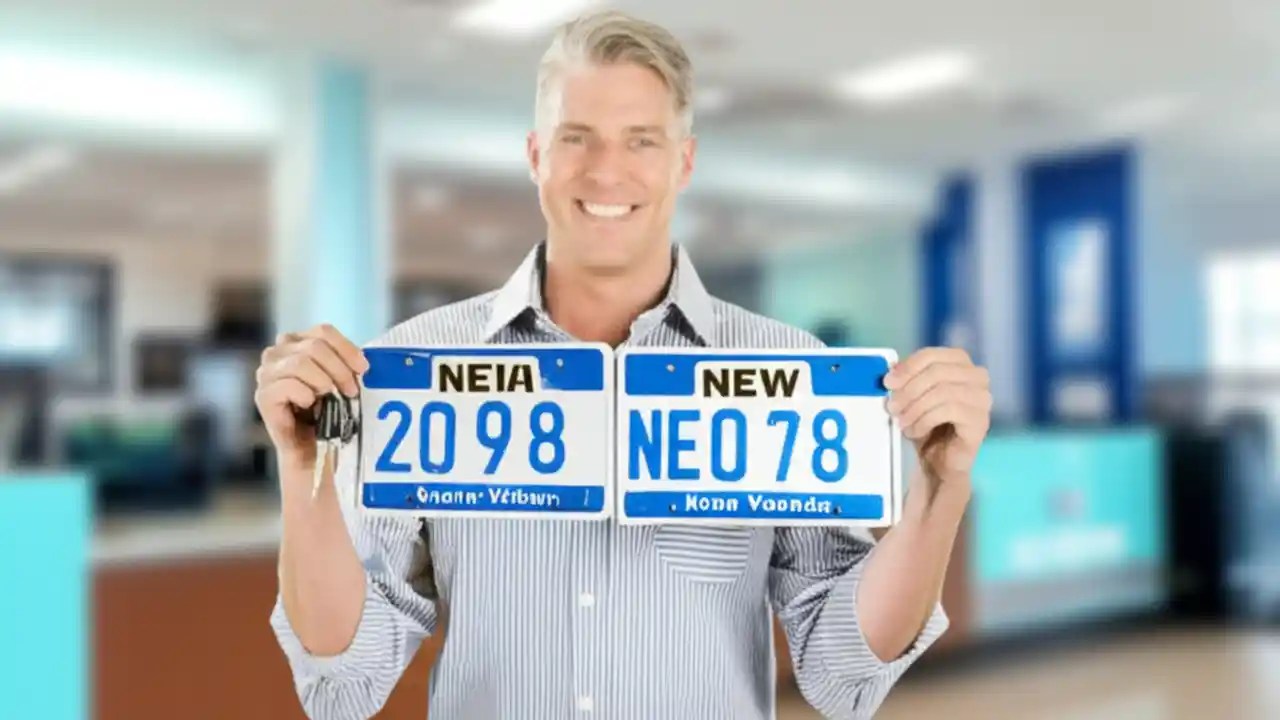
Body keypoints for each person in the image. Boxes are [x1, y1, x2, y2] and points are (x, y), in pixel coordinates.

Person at [257, 10, 991, 720]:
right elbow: (347, 679)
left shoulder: (790, 376)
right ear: (537, 155)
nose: (607, 171)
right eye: (577, 137)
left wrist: (940, 488)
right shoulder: (416, 371)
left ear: (684, 162)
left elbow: (841, 675)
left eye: (641, 140)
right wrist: (302, 468)